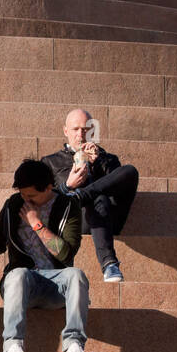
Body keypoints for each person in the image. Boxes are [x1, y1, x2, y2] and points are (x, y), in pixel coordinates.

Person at [0, 159, 91, 352]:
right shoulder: (13, 205)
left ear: (48, 187)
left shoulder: (67, 205)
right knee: (18, 273)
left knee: (76, 275)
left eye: (31, 195)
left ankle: (73, 345)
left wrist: (36, 223)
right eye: (22, 194)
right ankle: (13, 345)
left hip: (56, 286)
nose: (26, 200)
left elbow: (66, 253)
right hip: (22, 283)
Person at [41, 109, 138, 282]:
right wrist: (67, 186)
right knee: (96, 198)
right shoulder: (51, 162)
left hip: (110, 218)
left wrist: (97, 163)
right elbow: (41, 201)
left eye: (85, 129)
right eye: (75, 129)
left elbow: (118, 188)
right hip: (76, 221)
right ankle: (109, 264)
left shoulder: (108, 159)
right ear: (65, 131)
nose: (81, 134)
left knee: (130, 171)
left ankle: (81, 195)